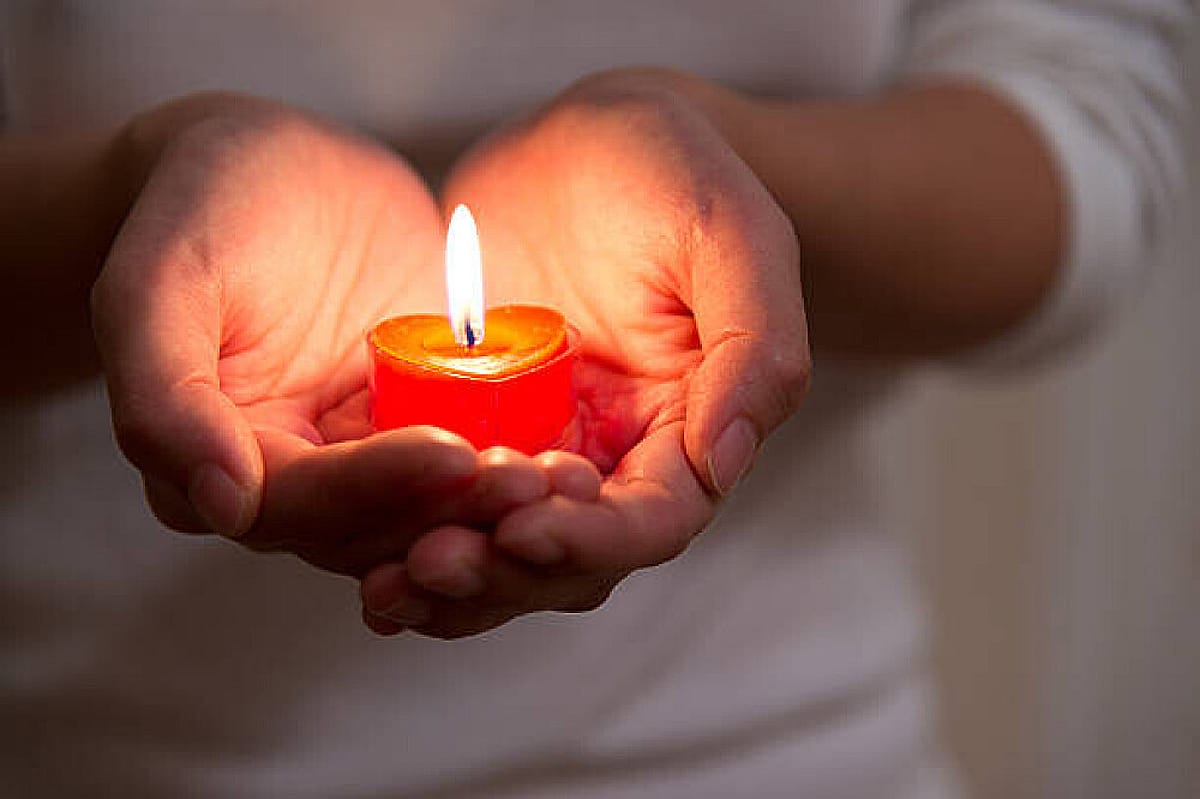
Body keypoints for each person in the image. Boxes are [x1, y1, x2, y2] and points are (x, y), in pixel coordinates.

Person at [0, 2, 1191, 796]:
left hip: (775, 746)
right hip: (96, 754)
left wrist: (743, 189)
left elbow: (1089, 105)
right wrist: (124, 205)